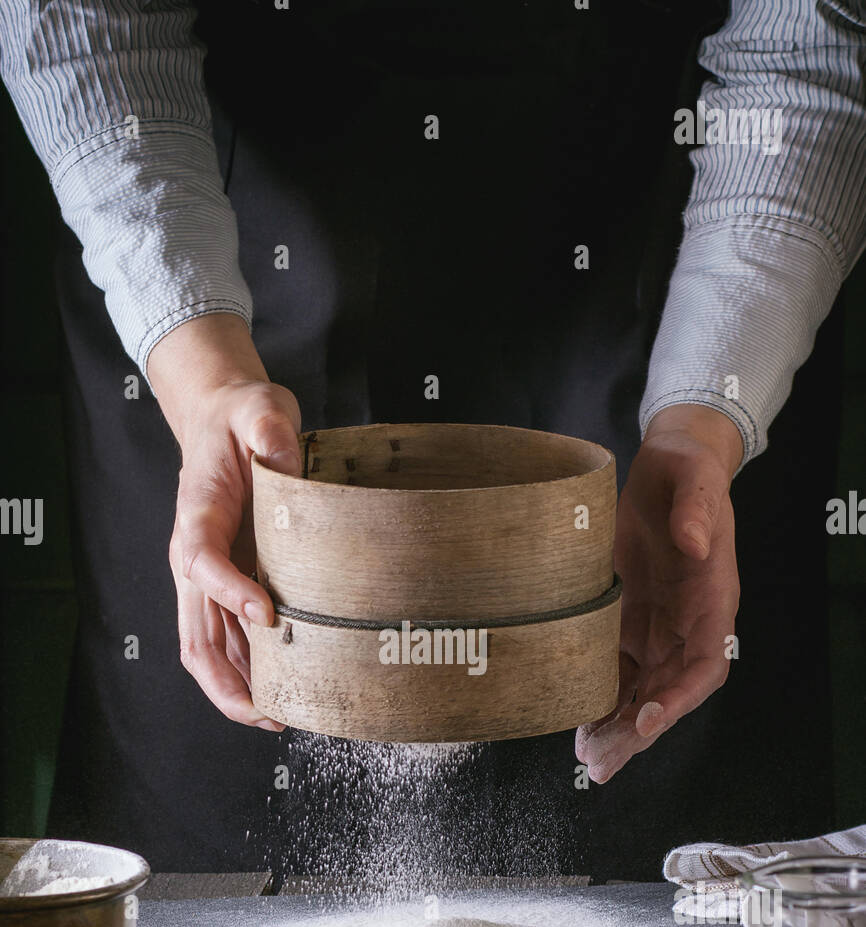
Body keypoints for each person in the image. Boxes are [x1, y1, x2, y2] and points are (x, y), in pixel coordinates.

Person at [1, 1, 862, 881]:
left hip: (670, 287)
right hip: (215, 279)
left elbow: (802, 51)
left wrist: (701, 426)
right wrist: (204, 375)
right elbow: (80, 21)